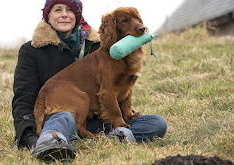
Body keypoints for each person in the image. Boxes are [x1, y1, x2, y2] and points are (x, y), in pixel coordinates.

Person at [12, 0, 167, 162]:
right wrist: (28, 136)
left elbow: (116, 88)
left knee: (157, 123)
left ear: (77, 16)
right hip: (59, 117)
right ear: (48, 16)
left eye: (69, 10)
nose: (64, 15)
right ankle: (50, 140)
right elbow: (23, 97)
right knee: (64, 117)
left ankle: (113, 135)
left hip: (96, 119)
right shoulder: (31, 50)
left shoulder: (98, 45)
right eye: (58, 10)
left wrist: (123, 115)